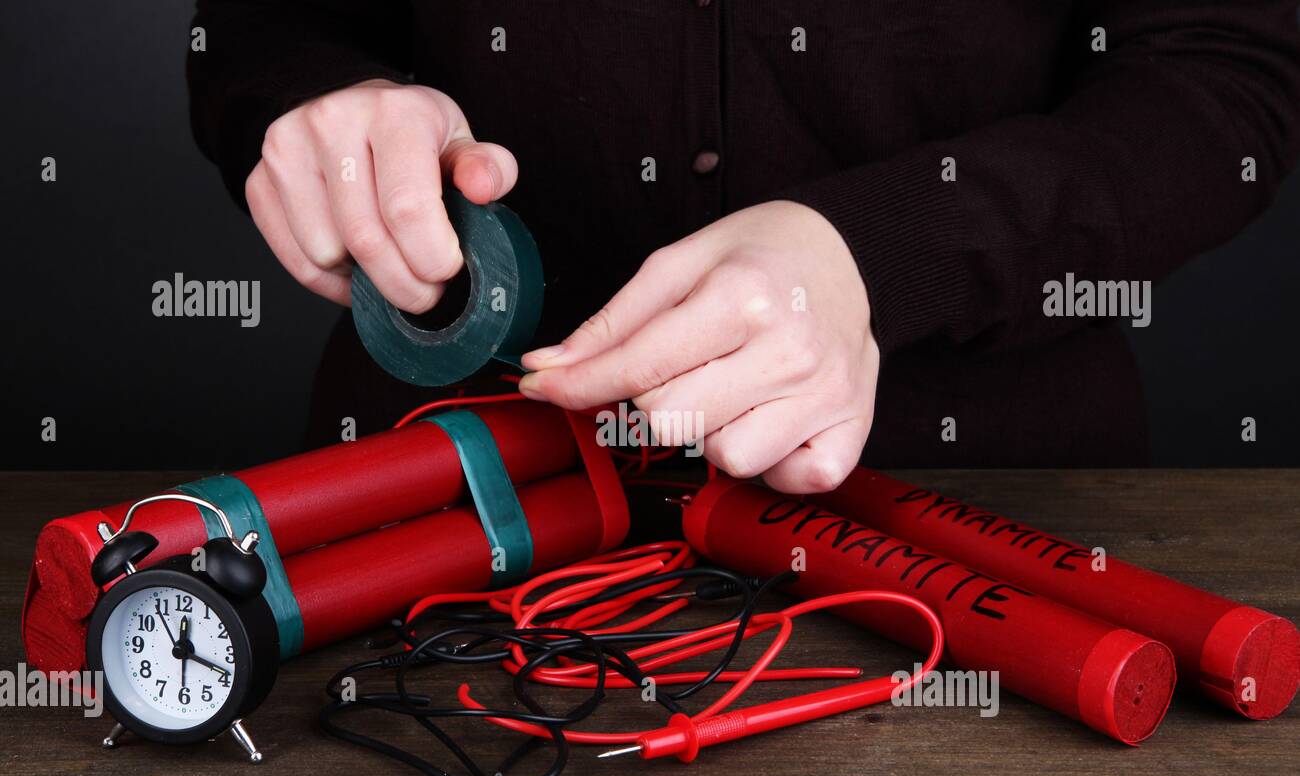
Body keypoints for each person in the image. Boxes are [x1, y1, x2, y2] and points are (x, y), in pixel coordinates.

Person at [187, 1, 1300, 491]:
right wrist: (311, 101)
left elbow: (1221, 72)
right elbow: (262, 23)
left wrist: (885, 252)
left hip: (984, 548)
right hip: (432, 510)